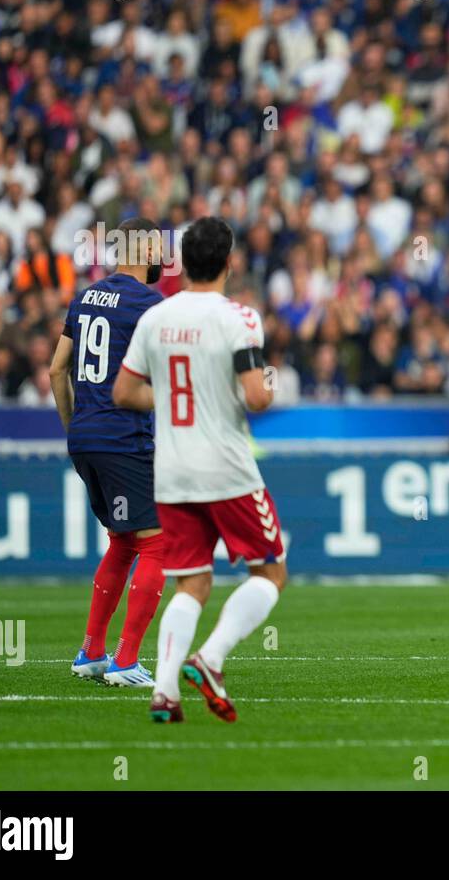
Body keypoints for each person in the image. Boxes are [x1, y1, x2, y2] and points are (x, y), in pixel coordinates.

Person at [113, 217, 284, 724]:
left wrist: (166, 399)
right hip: (227, 470)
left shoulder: (156, 319)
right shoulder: (240, 318)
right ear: (230, 263)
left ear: (181, 263)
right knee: (270, 571)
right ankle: (209, 659)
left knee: (191, 584)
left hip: (172, 472)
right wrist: (268, 393)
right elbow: (255, 397)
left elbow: (124, 394)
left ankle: (164, 691)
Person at [48, 217, 166, 688]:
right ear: (148, 248)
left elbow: (58, 370)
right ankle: (125, 661)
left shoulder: (84, 297)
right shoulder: (150, 305)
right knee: (160, 541)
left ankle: (91, 653)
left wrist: (75, 428)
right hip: (124, 438)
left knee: (123, 540)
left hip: (85, 436)